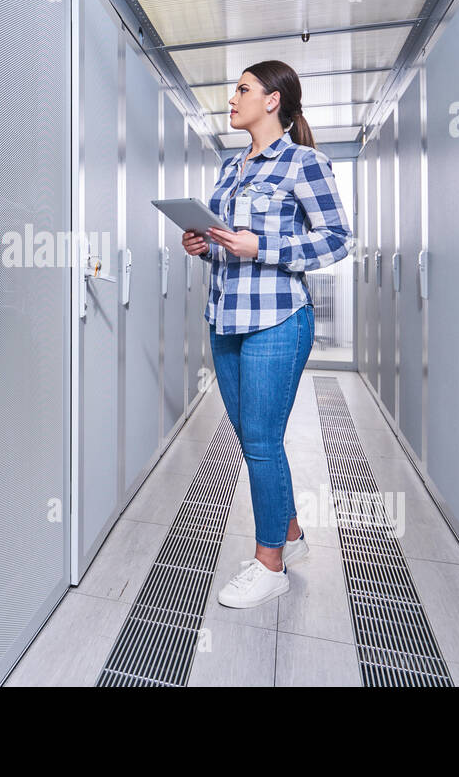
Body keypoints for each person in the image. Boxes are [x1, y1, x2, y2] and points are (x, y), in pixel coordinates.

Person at [181, 59, 353, 608]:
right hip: (225, 318)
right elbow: (225, 243)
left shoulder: (305, 163)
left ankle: (269, 563)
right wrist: (204, 245)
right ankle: (293, 535)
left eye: (243, 89)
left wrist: (265, 248)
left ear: (272, 101)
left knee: (259, 441)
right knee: (256, 439)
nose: (232, 99)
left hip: (277, 319)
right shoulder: (231, 169)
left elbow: (338, 239)